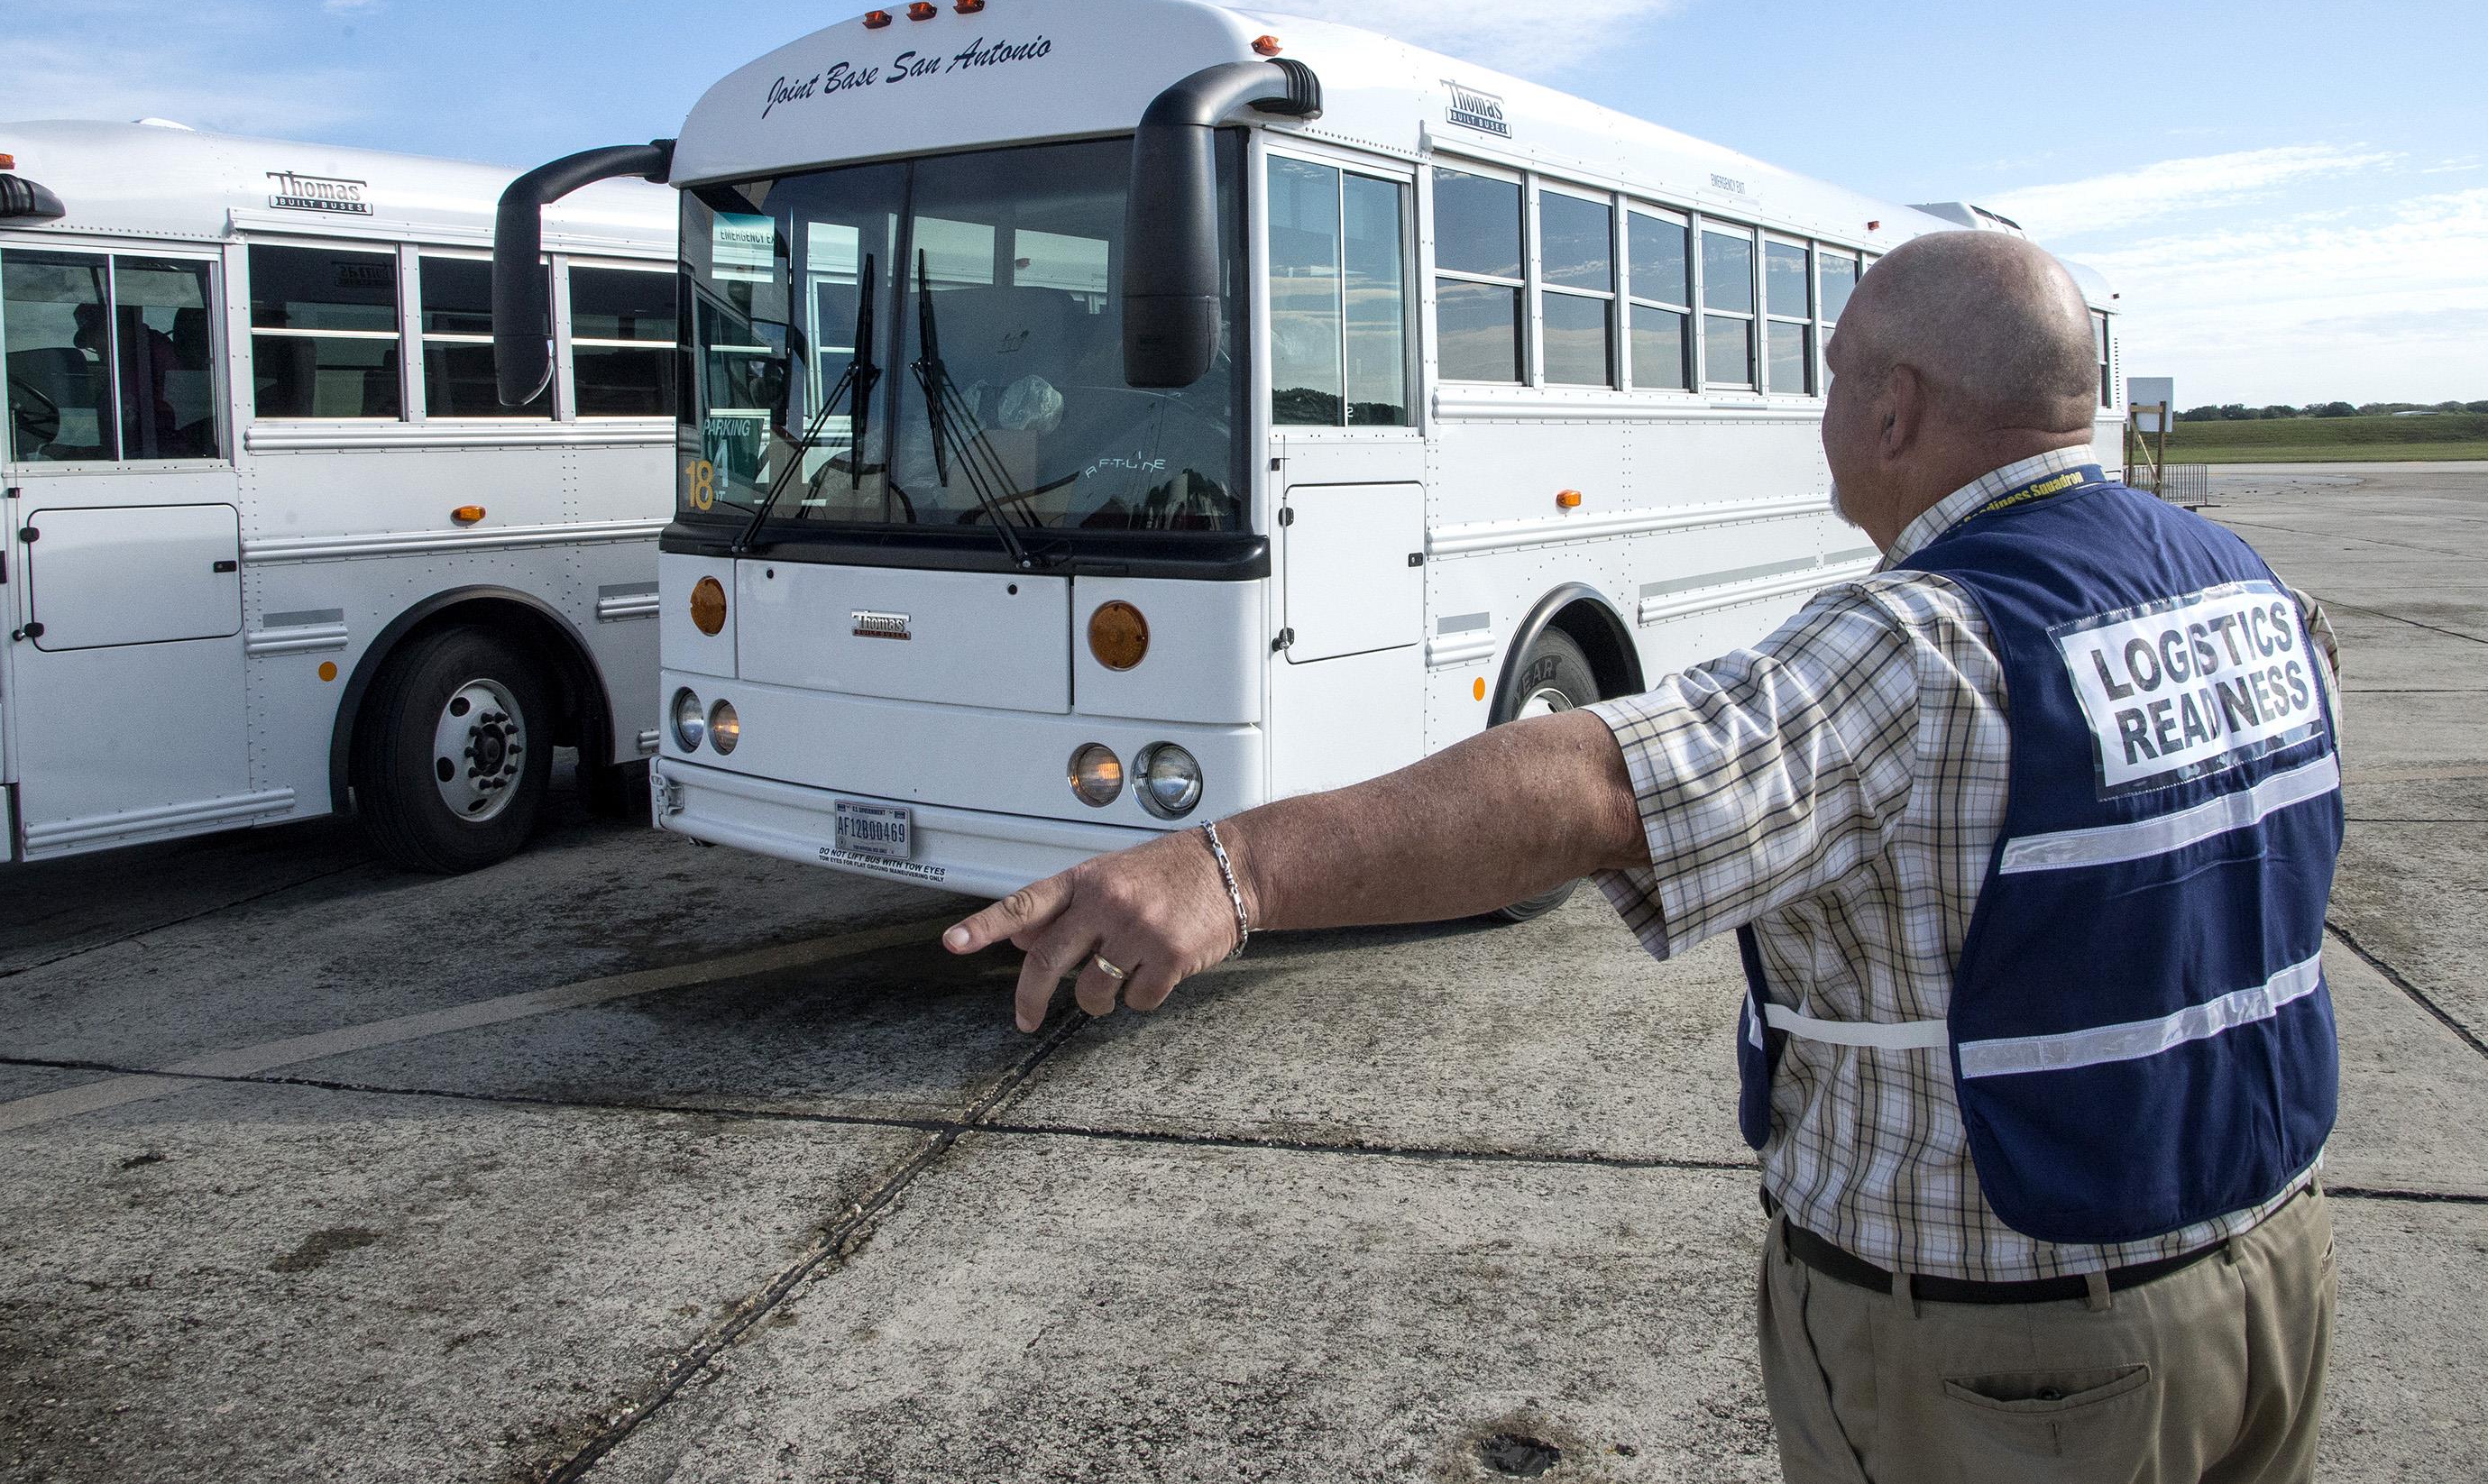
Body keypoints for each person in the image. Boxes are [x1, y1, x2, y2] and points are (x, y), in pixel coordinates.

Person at [944, 230, 2344, 1484]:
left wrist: (1230, 869)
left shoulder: (1918, 644)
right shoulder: (2252, 588)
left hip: (2022, 1374)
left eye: (1833, 377)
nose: (1822, 412)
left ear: (1896, 407)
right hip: (2271, 1281)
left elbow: (1597, 787)